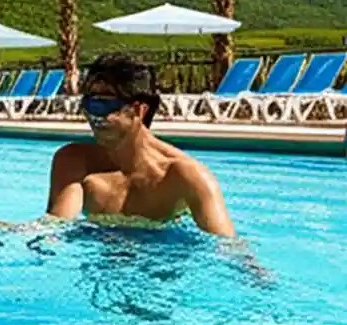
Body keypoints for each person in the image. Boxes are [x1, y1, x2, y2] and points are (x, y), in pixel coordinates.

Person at [44, 53, 236, 237]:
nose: (94, 116)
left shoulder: (185, 176)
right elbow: (56, 226)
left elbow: (227, 246)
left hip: (162, 256)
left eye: (104, 105)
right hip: (103, 262)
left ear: (138, 110)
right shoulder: (75, 162)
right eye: (89, 103)